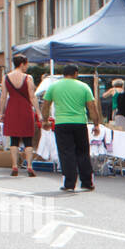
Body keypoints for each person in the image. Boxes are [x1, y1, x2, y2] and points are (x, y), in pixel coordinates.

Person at [39, 62, 101, 192]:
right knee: (83, 152)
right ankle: (87, 182)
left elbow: (45, 105)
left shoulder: (53, 87)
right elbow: (92, 107)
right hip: (80, 123)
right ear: (76, 73)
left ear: (63, 74)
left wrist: (45, 120)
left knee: (66, 153)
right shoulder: (84, 87)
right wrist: (96, 124)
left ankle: (69, 183)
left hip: (61, 123)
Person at [3, 54, 39, 177]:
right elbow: (32, 96)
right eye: (26, 65)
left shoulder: (6, 77)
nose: (27, 67)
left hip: (11, 108)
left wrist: (1, 112)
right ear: (22, 64)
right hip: (25, 109)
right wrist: (38, 112)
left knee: (14, 139)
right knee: (28, 139)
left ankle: (14, 166)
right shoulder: (28, 78)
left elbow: (3, 96)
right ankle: (29, 166)